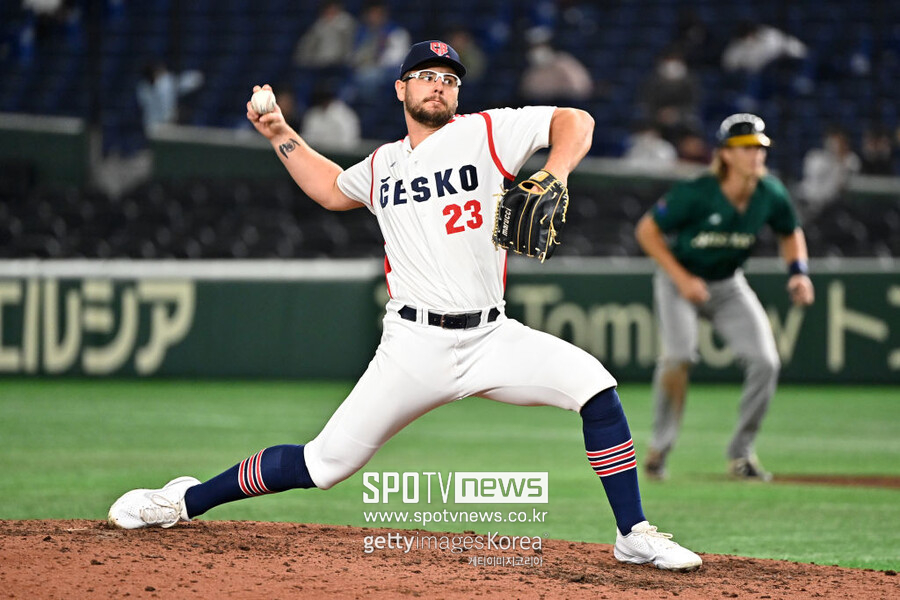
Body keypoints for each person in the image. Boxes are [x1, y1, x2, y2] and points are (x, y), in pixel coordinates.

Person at [107, 40, 702, 572]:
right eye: (425, 74)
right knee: (323, 465)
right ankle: (183, 500)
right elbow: (331, 188)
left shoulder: (489, 131)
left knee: (596, 389)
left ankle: (633, 534)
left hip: (492, 338)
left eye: (448, 77)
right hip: (413, 347)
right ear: (401, 88)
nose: (438, 83)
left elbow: (577, 118)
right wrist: (279, 135)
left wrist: (554, 173)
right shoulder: (385, 164)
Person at [634, 113, 815, 482]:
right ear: (726, 154)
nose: (755, 155)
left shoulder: (770, 192)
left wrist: (798, 273)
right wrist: (682, 278)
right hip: (680, 282)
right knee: (678, 356)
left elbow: (790, 231)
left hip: (728, 285)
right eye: (746, 148)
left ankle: (741, 454)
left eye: (759, 148)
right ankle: (659, 450)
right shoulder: (697, 191)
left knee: (766, 362)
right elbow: (647, 230)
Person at [798, 126, 861, 217]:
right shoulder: (815, 156)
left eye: (838, 141)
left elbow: (843, 184)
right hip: (807, 201)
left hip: (832, 207)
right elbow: (811, 179)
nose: (834, 144)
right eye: (831, 140)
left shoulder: (851, 159)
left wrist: (840, 160)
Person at [136, 60, 204, 133]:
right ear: (155, 73)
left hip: (151, 125)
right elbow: (194, 79)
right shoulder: (165, 83)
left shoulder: (142, 87)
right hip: (163, 125)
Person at [292, 1, 357, 69]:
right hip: (319, 63)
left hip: (339, 63)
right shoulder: (318, 25)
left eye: (333, 9)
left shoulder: (347, 23)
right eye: (328, 9)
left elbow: (350, 45)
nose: (330, 11)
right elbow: (307, 45)